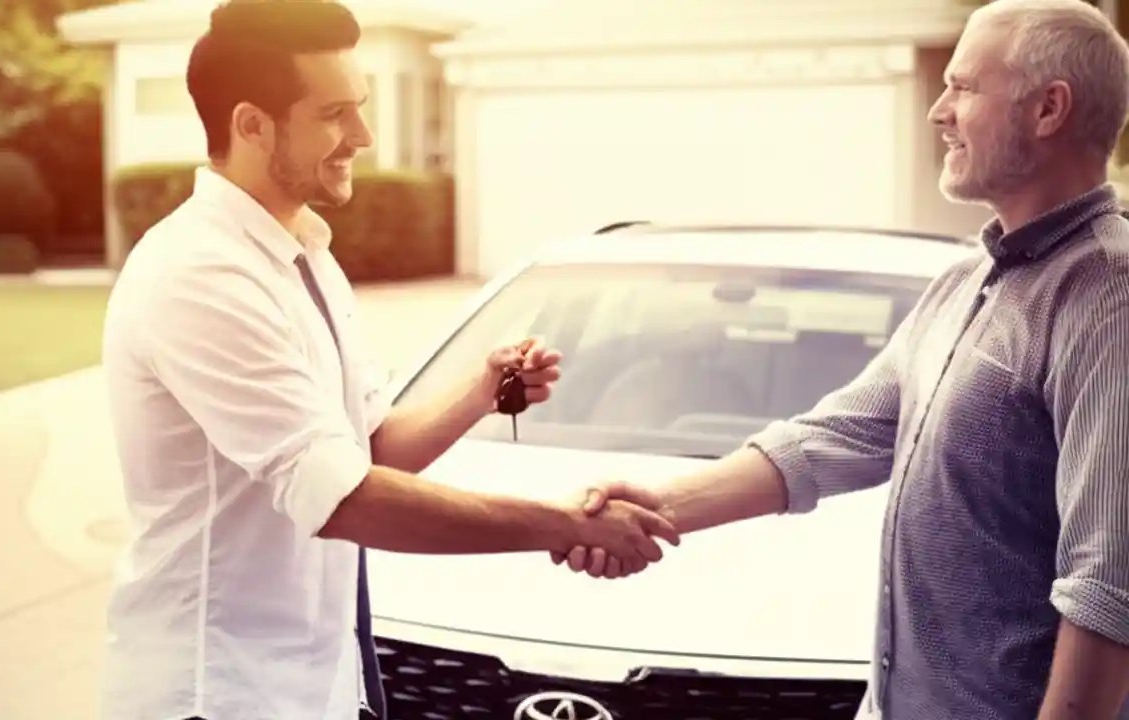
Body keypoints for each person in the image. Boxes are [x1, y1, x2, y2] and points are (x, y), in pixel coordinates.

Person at [97, 2, 679, 719]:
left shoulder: (302, 254)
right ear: (251, 124)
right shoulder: (200, 274)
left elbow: (369, 452)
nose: (363, 137)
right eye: (335, 113)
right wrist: (562, 525)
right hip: (215, 693)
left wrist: (482, 389)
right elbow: (343, 497)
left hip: (311, 688)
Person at [560, 1, 1129, 718]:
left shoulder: (1110, 296)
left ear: (1048, 109)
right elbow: (844, 433)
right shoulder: (965, 280)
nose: (938, 111)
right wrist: (659, 506)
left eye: (963, 86)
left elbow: (1109, 580)